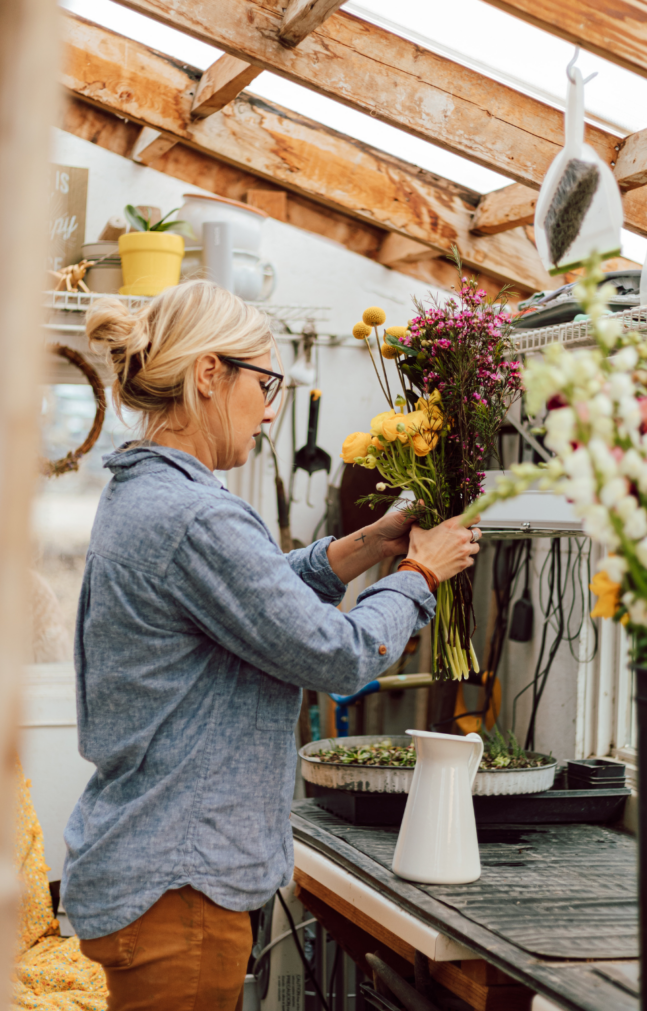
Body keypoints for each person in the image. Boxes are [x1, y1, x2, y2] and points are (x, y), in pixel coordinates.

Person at [61, 280, 481, 1011]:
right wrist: (419, 573)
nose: (271, 407)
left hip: (149, 864)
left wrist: (366, 544)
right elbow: (340, 654)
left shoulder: (145, 493)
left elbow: (252, 599)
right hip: (180, 884)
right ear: (208, 375)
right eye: (265, 382)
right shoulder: (195, 515)